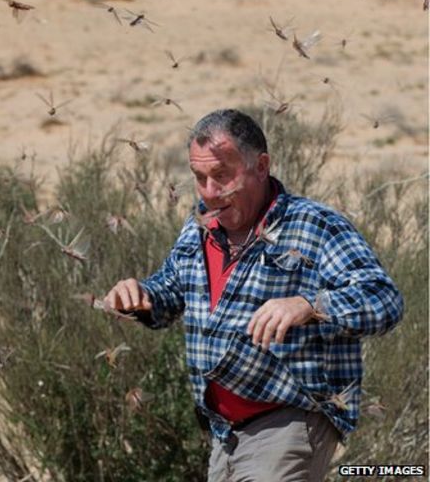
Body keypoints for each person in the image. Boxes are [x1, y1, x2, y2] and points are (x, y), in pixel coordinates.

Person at [104, 109, 403, 482]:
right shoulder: (200, 227)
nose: (210, 192)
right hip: (224, 432)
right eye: (200, 178)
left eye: (222, 175)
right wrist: (141, 295)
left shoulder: (315, 226)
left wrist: (310, 306)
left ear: (261, 166)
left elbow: (383, 300)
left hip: (289, 422)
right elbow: (171, 289)